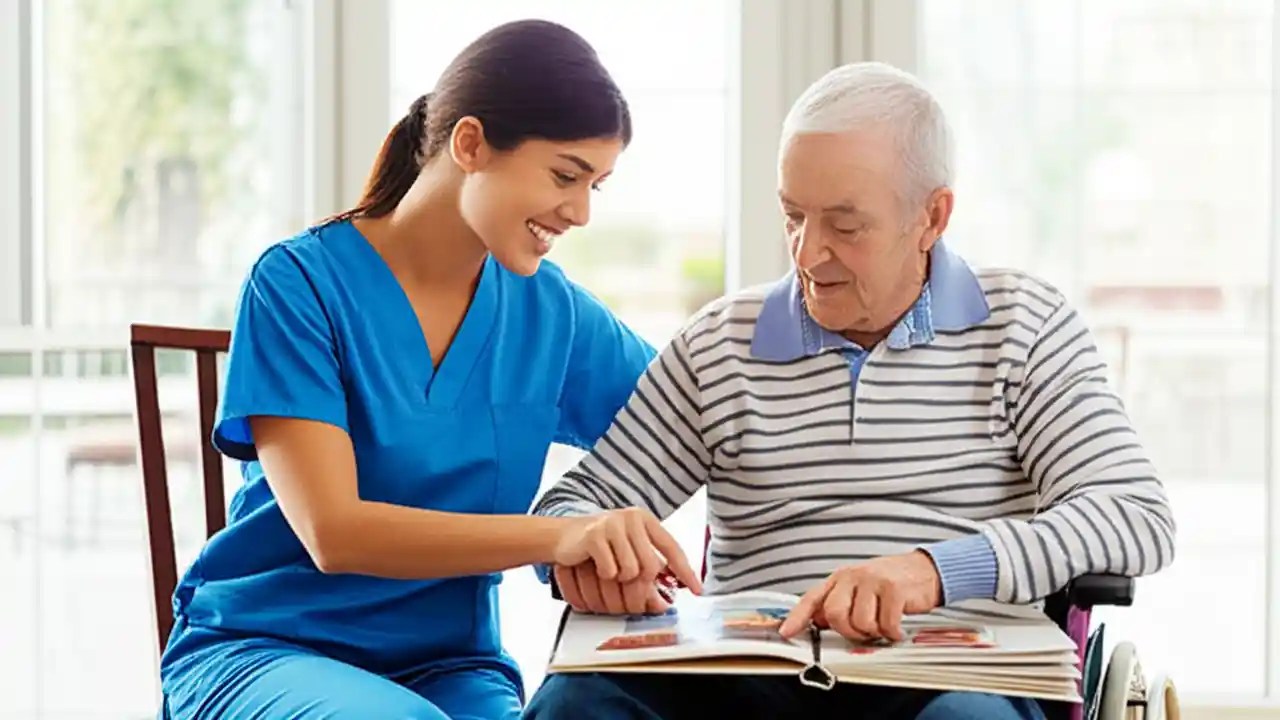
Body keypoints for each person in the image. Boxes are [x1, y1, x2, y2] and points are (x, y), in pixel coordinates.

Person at [523, 61, 1176, 720]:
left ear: (932, 218)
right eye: (793, 215)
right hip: (748, 677)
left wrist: (933, 571)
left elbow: (1134, 515)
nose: (808, 253)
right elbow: (572, 508)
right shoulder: (720, 344)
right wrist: (587, 547)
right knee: (576, 704)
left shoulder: (1024, 326)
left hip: (952, 677)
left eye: (846, 225)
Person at [158, 19, 702, 720]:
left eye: (597, 185)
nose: (581, 212)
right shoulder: (297, 284)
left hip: (450, 667)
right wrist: (558, 535)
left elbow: (697, 419)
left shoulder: (553, 314)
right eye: (566, 175)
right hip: (268, 649)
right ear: (470, 143)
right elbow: (334, 532)